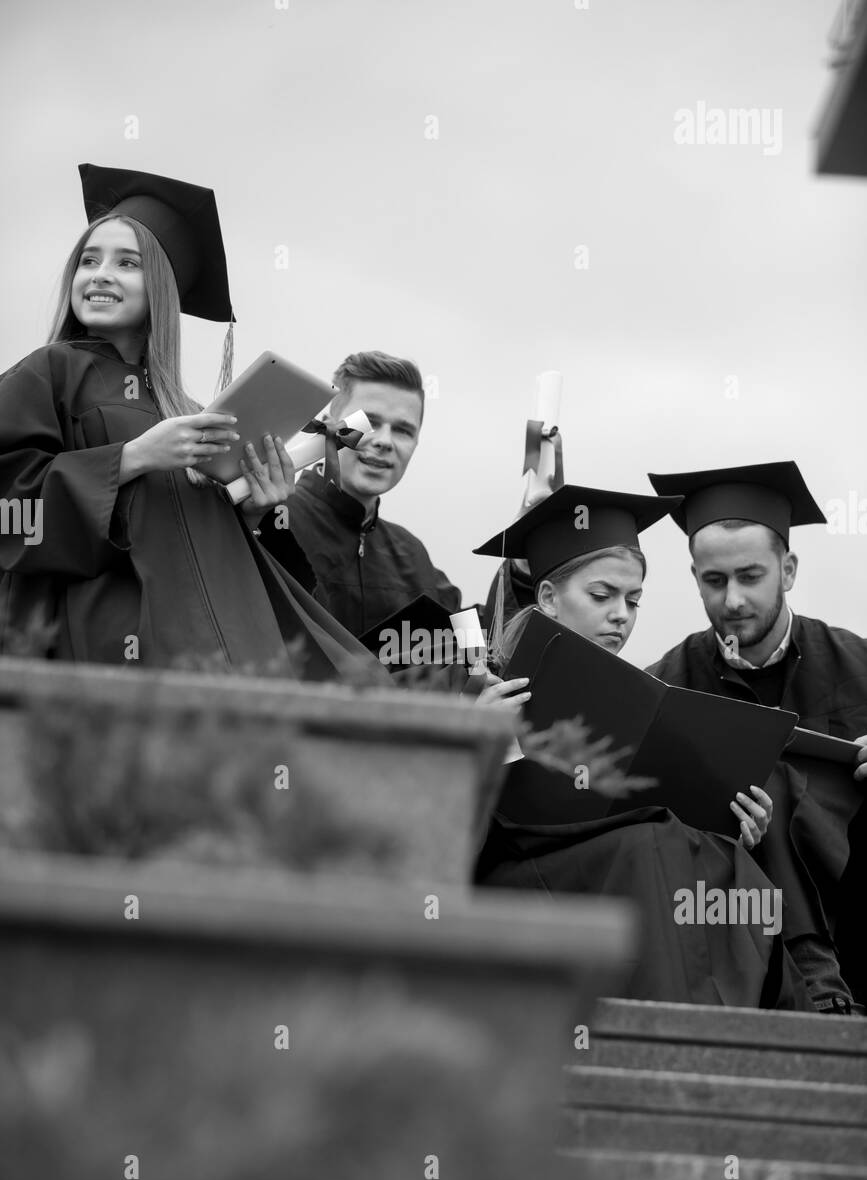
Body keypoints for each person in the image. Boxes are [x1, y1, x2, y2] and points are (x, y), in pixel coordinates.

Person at [0, 162, 386, 683]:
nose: (100, 275)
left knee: (358, 684)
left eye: (127, 263)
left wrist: (252, 510)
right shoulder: (48, 372)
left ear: (162, 287)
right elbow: (11, 512)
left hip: (203, 649)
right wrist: (132, 458)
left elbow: (196, 545)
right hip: (103, 652)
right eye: (88, 260)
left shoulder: (188, 409)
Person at [472, 484, 813, 1011]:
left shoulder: (634, 693)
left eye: (632, 601)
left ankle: (743, 1041)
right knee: (652, 845)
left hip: (618, 857)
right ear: (547, 599)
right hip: (524, 872)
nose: (621, 615)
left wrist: (738, 823)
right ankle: (668, 1031)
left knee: (728, 863)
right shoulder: (486, 683)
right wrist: (478, 744)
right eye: (601, 595)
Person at [645, 461, 867, 1014]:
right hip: (735, 917)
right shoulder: (664, 688)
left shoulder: (860, 665)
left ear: (787, 569)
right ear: (694, 575)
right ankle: (817, 986)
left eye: (750, 576)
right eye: (713, 581)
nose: (733, 601)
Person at [258, 351, 462, 637]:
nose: (384, 441)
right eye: (370, 422)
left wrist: (522, 562)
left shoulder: (414, 557)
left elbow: (473, 652)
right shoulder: (268, 520)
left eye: (403, 430)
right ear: (328, 424)